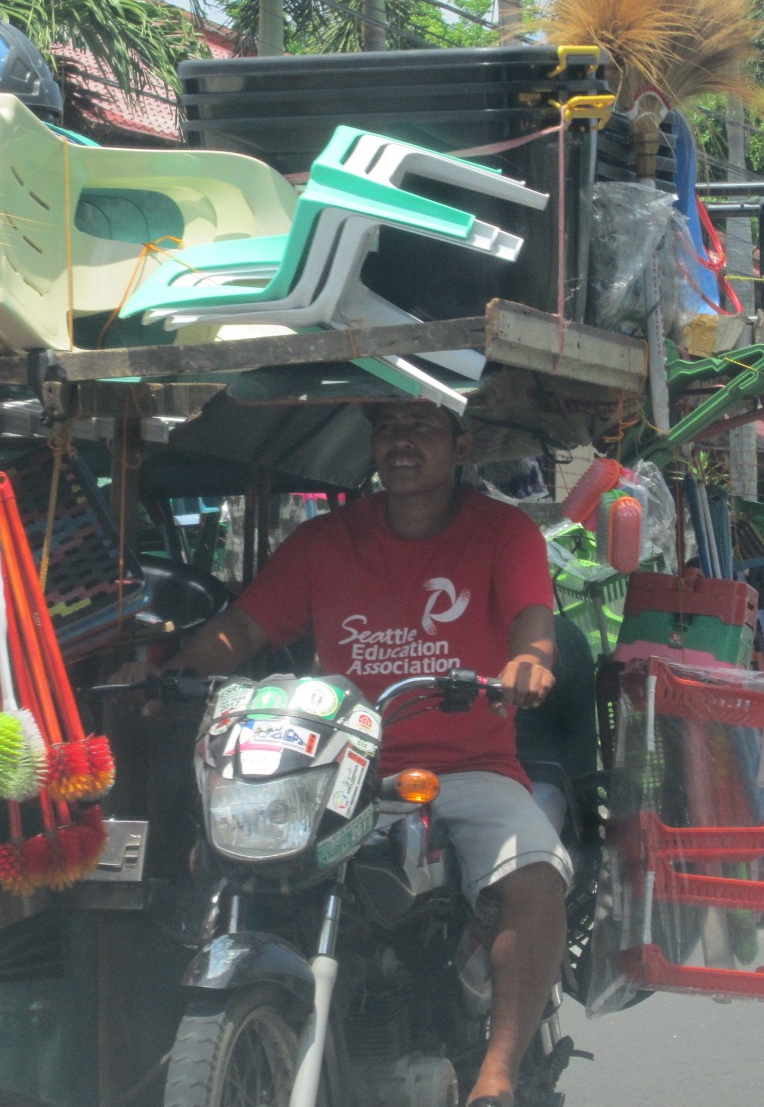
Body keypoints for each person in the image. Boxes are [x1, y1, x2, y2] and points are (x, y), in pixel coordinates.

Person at [118, 397, 569, 1107]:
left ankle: (498, 1076)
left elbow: (532, 617)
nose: (402, 441)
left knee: (534, 880)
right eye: (389, 428)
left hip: (469, 769)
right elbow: (244, 628)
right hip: (341, 766)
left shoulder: (502, 531)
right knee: (227, 866)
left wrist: (530, 661)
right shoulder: (324, 542)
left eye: (422, 427)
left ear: (461, 446)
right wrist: (172, 674)